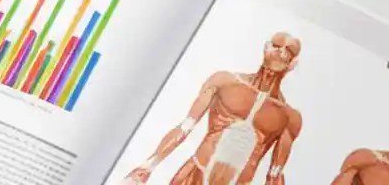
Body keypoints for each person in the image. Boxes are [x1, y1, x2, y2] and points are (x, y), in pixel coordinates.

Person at [123, 32, 304, 185]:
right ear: (266, 47)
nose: (280, 52)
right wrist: (148, 166)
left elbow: (274, 174)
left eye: (288, 51)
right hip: (195, 175)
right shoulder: (224, 81)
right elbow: (185, 127)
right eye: (277, 46)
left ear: (293, 63)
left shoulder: (289, 117)